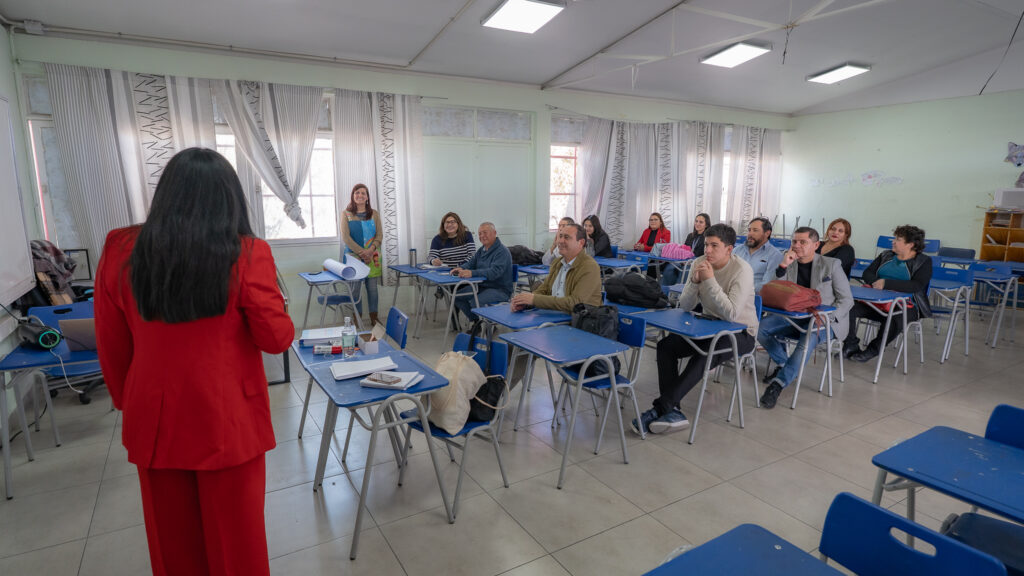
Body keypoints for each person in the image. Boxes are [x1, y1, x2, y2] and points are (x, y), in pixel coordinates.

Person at [94, 148, 294, 576]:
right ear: (230, 200)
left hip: (155, 418)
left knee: (173, 551)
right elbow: (276, 339)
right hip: (227, 420)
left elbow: (110, 342)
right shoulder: (246, 252)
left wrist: (128, 399)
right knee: (236, 551)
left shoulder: (120, 248)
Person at [632, 224, 758, 435]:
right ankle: (674, 411)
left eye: (714, 246)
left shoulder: (742, 270)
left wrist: (708, 281)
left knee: (705, 355)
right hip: (708, 326)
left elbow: (732, 314)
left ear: (729, 249)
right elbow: (686, 305)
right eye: (707, 245)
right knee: (666, 346)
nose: (707, 250)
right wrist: (694, 282)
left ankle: (661, 408)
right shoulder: (700, 262)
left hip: (741, 333)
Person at [757, 227, 853, 409]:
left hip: (825, 319)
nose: (797, 246)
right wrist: (783, 266)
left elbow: (847, 300)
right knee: (759, 328)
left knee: (807, 339)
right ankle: (786, 365)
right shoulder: (788, 261)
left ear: (816, 245)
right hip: (794, 316)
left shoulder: (831, 264)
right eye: (794, 241)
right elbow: (769, 287)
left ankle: (778, 384)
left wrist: (829, 318)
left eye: (803, 242)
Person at [843, 224, 932, 363]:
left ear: (911, 244)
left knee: (895, 319)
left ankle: (873, 350)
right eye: (894, 238)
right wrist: (877, 282)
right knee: (848, 308)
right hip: (877, 302)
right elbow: (867, 273)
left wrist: (886, 283)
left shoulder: (923, 261)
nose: (893, 241)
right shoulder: (886, 255)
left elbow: (917, 285)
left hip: (907, 306)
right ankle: (850, 345)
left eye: (898, 239)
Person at [511, 223, 602, 312]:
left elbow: (576, 303)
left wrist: (534, 300)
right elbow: (544, 290)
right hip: (555, 314)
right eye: (560, 236)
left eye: (566, 237)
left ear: (581, 243)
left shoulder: (589, 267)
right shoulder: (557, 263)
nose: (560, 241)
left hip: (577, 321)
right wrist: (525, 302)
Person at [452, 222, 513, 322]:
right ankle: (478, 323)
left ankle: (485, 325)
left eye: (485, 232)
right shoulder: (482, 250)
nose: (482, 236)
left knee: (475, 301)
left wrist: (472, 273)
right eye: (480, 233)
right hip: (482, 286)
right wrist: (461, 268)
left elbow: (494, 272)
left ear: (494, 233)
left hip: (500, 289)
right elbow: (471, 263)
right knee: (458, 296)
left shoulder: (502, 251)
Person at [340, 183, 383, 326]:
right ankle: (357, 319)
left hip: (372, 257)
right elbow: (346, 237)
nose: (360, 195)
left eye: (363, 193)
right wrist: (362, 253)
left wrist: (370, 251)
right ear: (353, 196)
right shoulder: (346, 214)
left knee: (372, 289)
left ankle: (374, 318)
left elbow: (379, 235)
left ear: (367, 197)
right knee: (355, 290)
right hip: (354, 258)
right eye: (357, 192)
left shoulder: (374, 214)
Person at [733, 217, 783, 293]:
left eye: (755, 230)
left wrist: (741, 289)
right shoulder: (738, 250)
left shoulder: (774, 255)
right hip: (732, 292)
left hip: (754, 297)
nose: (750, 234)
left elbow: (767, 285)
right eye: (749, 230)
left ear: (767, 233)